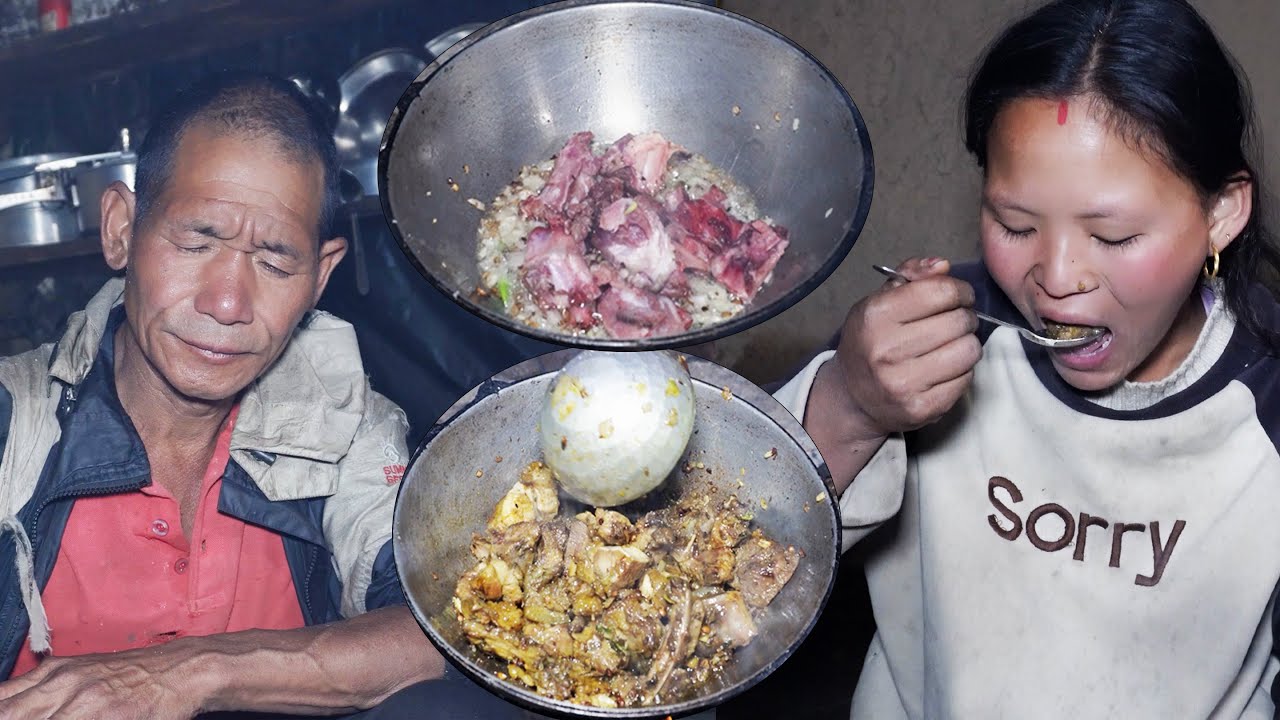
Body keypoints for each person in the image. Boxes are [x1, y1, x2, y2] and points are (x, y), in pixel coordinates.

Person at [773, 0, 1280, 717]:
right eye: (1015, 224)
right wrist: (853, 404)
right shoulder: (940, 340)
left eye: (1113, 236)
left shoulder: (1265, 409)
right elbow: (738, 555)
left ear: (1222, 213)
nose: (1057, 275)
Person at [0, 72, 529, 719]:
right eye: (197, 241)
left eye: (276, 263)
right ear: (120, 229)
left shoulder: (343, 428)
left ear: (320, 274)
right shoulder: (14, 425)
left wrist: (188, 673)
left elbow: (452, 629)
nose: (227, 303)